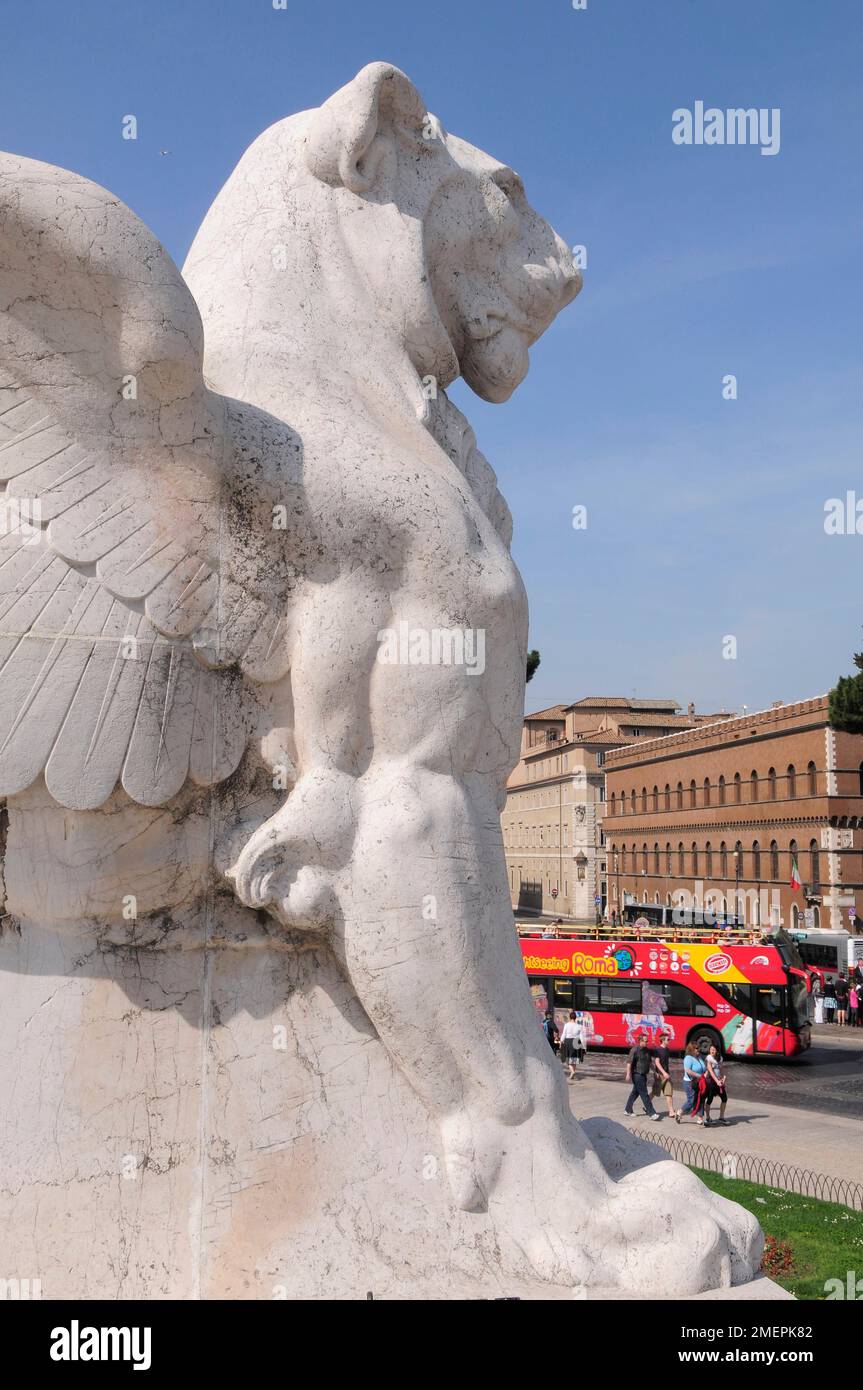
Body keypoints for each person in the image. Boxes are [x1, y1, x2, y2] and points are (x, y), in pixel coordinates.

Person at [624, 1031, 661, 1121]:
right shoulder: (635, 1050)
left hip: (643, 1074)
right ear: (640, 1041)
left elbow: (650, 1063)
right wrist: (628, 1074)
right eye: (645, 1041)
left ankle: (628, 1110)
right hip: (637, 1074)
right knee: (644, 1094)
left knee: (635, 1092)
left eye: (647, 1041)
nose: (646, 1042)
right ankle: (651, 1113)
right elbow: (629, 1063)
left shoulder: (647, 1051)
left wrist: (655, 1071)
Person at [676, 1042, 707, 1124]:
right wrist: (699, 1076)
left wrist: (706, 1074)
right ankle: (680, 1112)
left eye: (698, 1048)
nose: (698, 1049)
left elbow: (704, 1068)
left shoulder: (699, 1057)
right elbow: (688, 1070)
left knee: (701, 1099)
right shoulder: (688, 1058)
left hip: (700, 1082)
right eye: (696, 1048)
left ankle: (700, 1118)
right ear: (691, 1049)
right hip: (690, 1082)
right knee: (692, 1100)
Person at [652, 1028, 676, 1119]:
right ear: (662, 1040)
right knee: (654, 1092)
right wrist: (664, 1073)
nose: (669, 1040)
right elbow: (657, 1062)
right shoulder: (658, 1050)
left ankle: (671, 1111)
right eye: (668, 1039)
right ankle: (647, 1106)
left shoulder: (667, 1050)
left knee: (669, 1093)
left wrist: (667, 1073)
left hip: (667, 1075)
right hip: (660, 1076)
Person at [703, 1044, 729, 1126]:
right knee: (710, 1099)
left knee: (724, 1098)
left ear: (717, 1050)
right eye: (711, 1049)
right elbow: (710, 1071)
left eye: (713, 1049)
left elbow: (721, 1069)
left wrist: (723, 1078)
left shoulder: (720, 1058)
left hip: (718, 1081)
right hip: (711, 1081)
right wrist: (717, 1081)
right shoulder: (709, 1058)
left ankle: (721, 1117)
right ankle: (708, 1118)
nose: (712, 1051)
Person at [559, 1011, 584, 1081]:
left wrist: (561, 1041)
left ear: (570, 1017)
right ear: (575, 1018)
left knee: (568, 1059)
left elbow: (564, 1034)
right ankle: (572, 1074)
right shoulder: (579, 1026)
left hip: (568, 1041)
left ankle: (572, 1071)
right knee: (574, 1059)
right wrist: (582, 1045)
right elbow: (581, 1036)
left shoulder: (567, 1025)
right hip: (576, 1041)